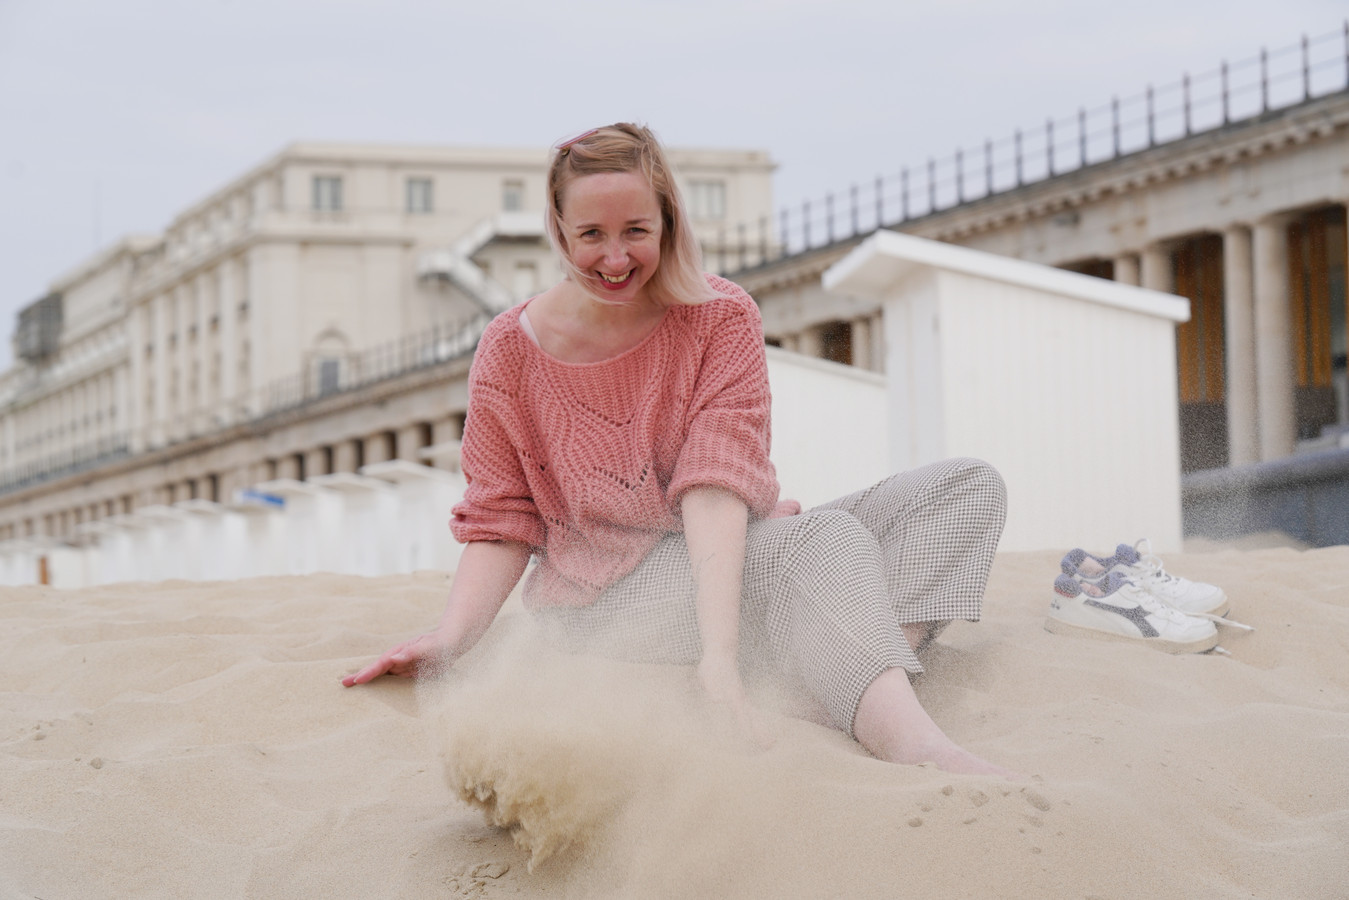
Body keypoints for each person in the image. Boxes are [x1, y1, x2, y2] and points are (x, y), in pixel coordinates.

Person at [343, 123, 1012, 777]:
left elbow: (714, 484)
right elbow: (500, 519)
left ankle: (821, 682)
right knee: (822, 541)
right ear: (557, 229)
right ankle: (916, 745)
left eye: (635, 231)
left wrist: (720, 653)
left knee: (963, 487)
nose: (614, 259)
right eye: (590, 236)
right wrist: (452, 637)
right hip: (600, 604)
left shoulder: (721, 316)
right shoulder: (509, 351)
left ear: (667, 222)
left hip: (712, 559)